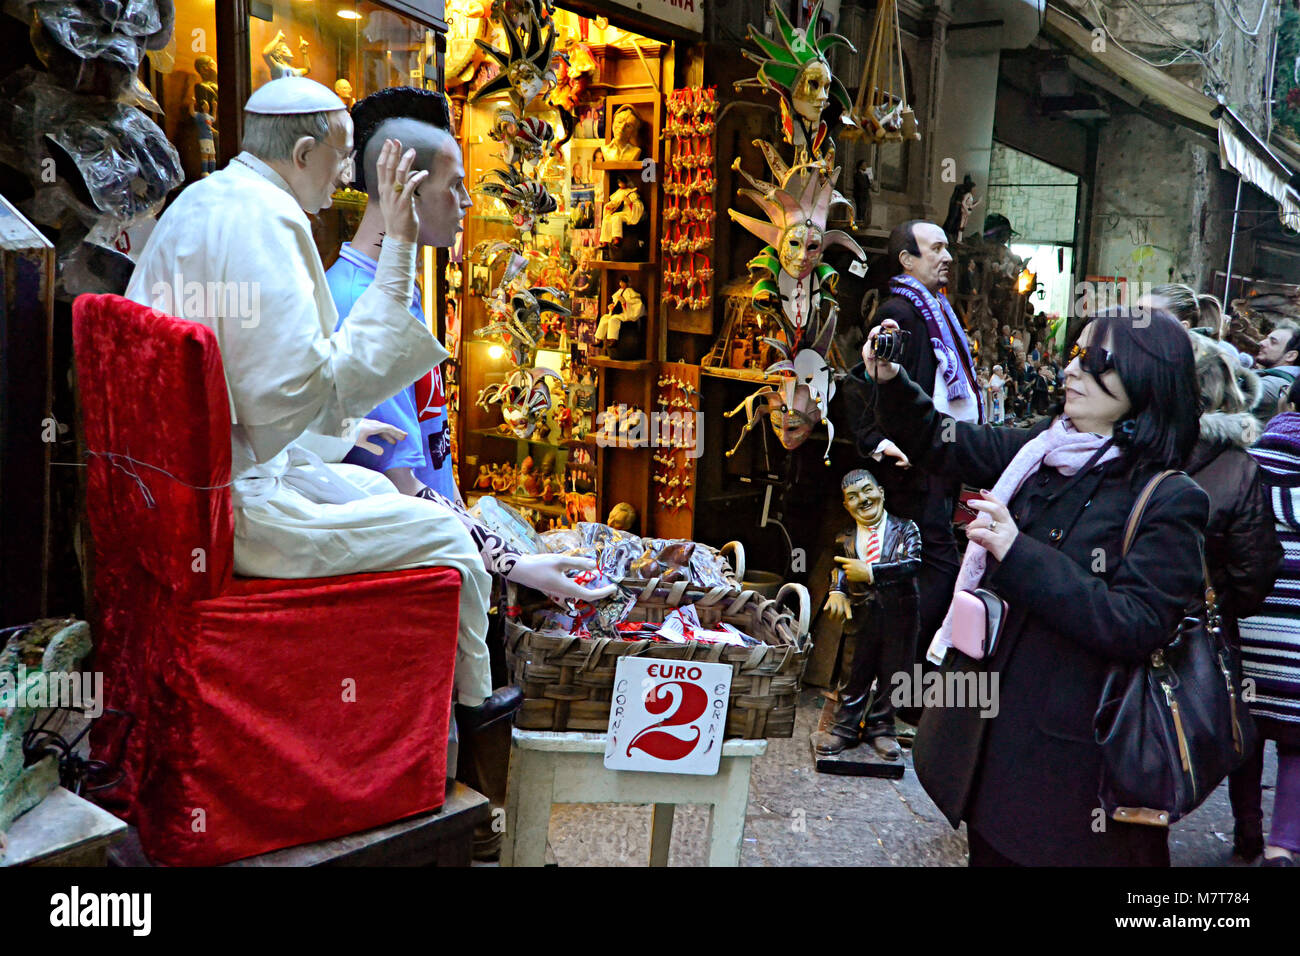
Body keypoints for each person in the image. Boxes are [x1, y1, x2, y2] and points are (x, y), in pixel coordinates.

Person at [126, 77, 506, 728]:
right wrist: (405, 247)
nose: (348, 175)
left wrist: (344, 427)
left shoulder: (214, 198)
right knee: (446, 535)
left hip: (204, 480)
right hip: (229, 503)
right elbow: (295, 398)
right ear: (303, 155)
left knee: (375, 490)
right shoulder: (259, 220)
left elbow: (285, 398)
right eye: (340, 156)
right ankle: (474, 713)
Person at [861, 305, 1209, 866]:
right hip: (991, 753)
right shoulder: (1041, 452)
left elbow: (1135, 624)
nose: (1073, 371)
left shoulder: (1170, 497)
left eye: (1097, 360)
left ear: (1149, 376)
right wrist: (891, 380)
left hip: (1076, 776)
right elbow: (943, 440)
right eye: (1075, 354)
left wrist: (1017, 551)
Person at [326, 86, 614, 611]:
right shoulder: (356, 304)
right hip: (401, 580)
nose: (467, 202)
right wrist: (516, 563)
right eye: (454, 187)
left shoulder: (394, 293)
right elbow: (399, 482)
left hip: (438, 562)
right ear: (408, 191)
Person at [852, 220, 983, 721]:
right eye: (935, 249)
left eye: (948, 247)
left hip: (935, 467)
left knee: (903, 585)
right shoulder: (900, 313)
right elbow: (877, 389)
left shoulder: (937, 311)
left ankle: (880, 700)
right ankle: (890, 695)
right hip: (909, 472)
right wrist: (883, 443)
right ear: (906, 260)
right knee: (928, 576)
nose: (946, 256)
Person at [1234, 375, 1300, 866]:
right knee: (1298, 745)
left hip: (1249, 626)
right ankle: (1282, 844)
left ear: (1284, 403)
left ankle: (1247, 834)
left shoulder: (1246, 467)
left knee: (1247, 733)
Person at [814, 469, 921, 760]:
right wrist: (837, 590)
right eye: (852, 497)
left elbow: (912, 563)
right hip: (861, 616)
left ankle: (882, 728)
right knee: (854, 671)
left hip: (900, 616)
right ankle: (845, 728)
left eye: (867, 491)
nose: (862, 500)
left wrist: (871, 572)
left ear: (881, 492)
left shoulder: (906, 529)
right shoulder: (844, 537)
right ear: (846, 505)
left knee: (894, 673)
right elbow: (840, 568)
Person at [1253, 323, 1300, 428]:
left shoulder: (1277, 385)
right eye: (1266, 338)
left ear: (1291, 356)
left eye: (1273, 342)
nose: (1261, 343)